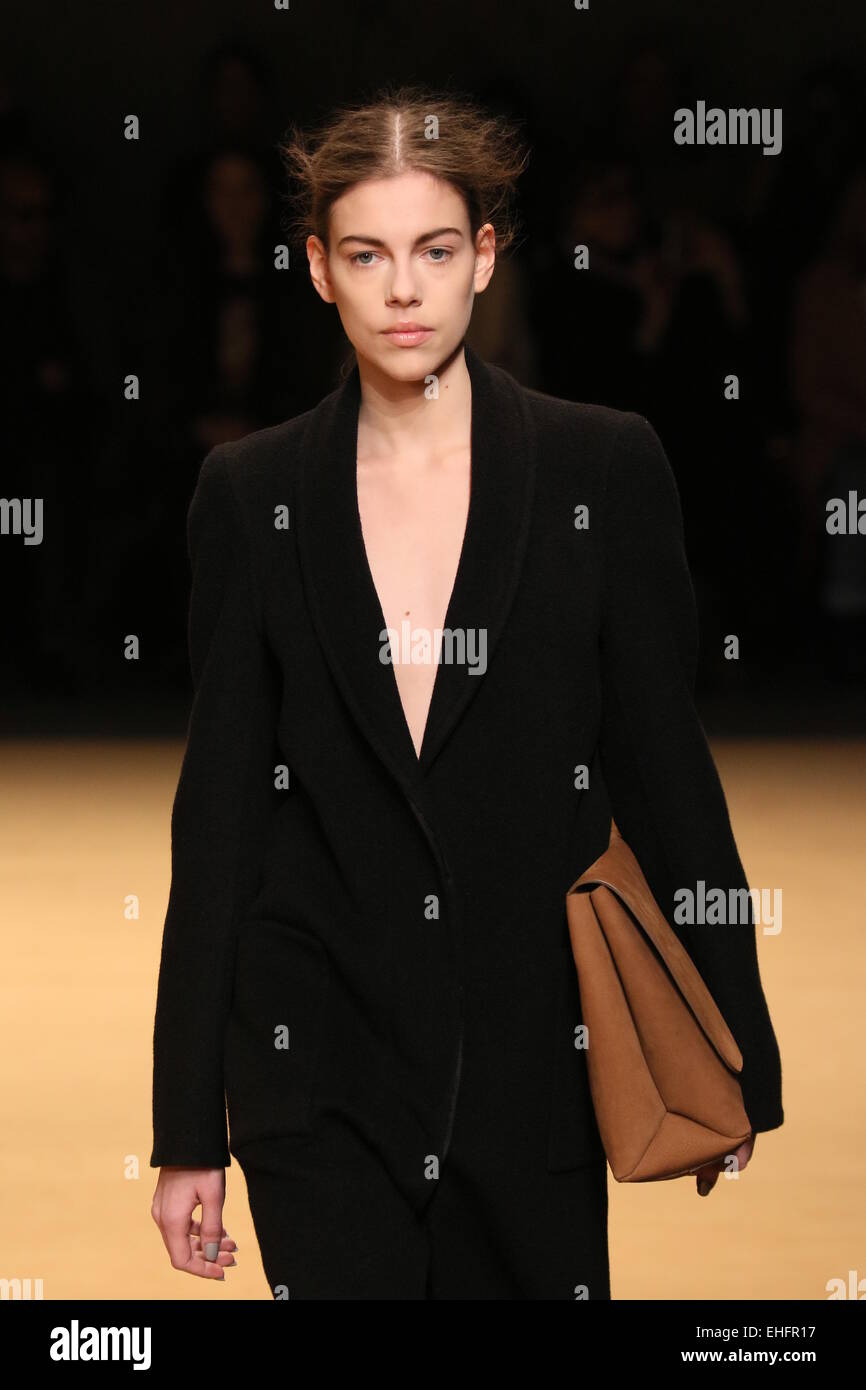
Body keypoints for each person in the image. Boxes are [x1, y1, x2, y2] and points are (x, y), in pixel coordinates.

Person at [149, 84, 784, 1300]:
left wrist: (729, 1045)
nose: (403, 289)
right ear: (318, 270)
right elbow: (220, 815)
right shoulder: (250, 493)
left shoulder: (600, 467)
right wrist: (188, 1129)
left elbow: (662, 766)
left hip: (532, 1059)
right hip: (314, 1069)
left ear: (484, 257)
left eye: (434, 250)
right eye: (367, 254)